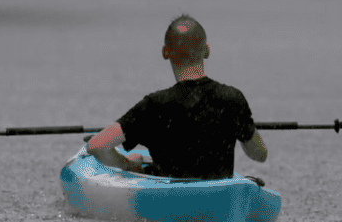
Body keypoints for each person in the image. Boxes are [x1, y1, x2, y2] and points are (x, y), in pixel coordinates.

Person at [87, 14, 268, 180]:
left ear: (166, 53)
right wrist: (244, 127)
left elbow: (96, 145)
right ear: (206, 51)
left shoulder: (153, 105)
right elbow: (259, 155)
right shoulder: (232, 99)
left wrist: (129, 165)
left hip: (168, 200)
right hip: (218, 197)